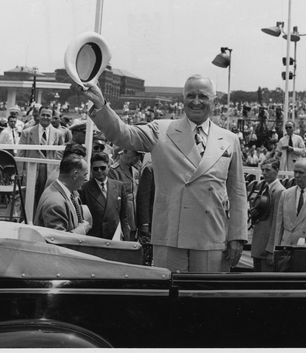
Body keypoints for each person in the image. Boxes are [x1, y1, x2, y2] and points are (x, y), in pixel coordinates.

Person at [85, 74, 247, 273]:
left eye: (203, 96)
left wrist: (237, 236)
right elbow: (122, 134)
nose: (196, 102)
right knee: (172, 297)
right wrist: (101, 104)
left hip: (212, 236)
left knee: (206, 298)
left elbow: (238, 192)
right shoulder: (161, 130)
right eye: (191, 95)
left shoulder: (230, 139)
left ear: (215, 101)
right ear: (183, 99)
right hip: (171, 233)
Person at [267, 157, 306, 255]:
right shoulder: (286, 194)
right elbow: (279, 225)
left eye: (301, 173)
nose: (297, 176)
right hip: (285, 250)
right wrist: (275, 250)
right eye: (295, 172)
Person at [34, 153, 92, 234]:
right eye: (85, 174)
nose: (86, 179)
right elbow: (59, 240)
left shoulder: (69, 191)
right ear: (75, 175)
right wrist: (82, 229)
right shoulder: (55, 204)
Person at [18, 106, 62, 209]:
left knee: (46, 199)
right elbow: (20, 154)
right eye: (43, 114)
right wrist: (20, 173)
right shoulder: (27, 132)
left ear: (52, 117)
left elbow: (60, 156)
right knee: (28, 201)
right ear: (39, 115)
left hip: (50, 172)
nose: (45, 117)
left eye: (48, 115)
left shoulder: (59, 134)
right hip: (31, 170)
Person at [79, 151, 129, 240]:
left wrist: (126, 238)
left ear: (109, 167)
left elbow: (123, 216)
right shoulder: (84, 189)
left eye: (102, 168)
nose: (99, 171)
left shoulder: (119, 186)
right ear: (91, 169)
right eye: (95, 168)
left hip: (114, 236)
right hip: (94, 238)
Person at [250, 158, 285, 271]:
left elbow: (277, 223)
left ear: (277, 170)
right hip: (259, 246)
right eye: (262, 170)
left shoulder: (279, 191)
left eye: (268, 170)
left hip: (266, 249)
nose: (264, 173)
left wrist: (271, 250)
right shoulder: (266, 188)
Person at [109, 148, 142, 241]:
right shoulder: (114, 171)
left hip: (135, 217)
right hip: (124, 217)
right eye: (135, 154)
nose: (138, 158)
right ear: (125, 151)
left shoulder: (136, 169)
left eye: (139, 155)